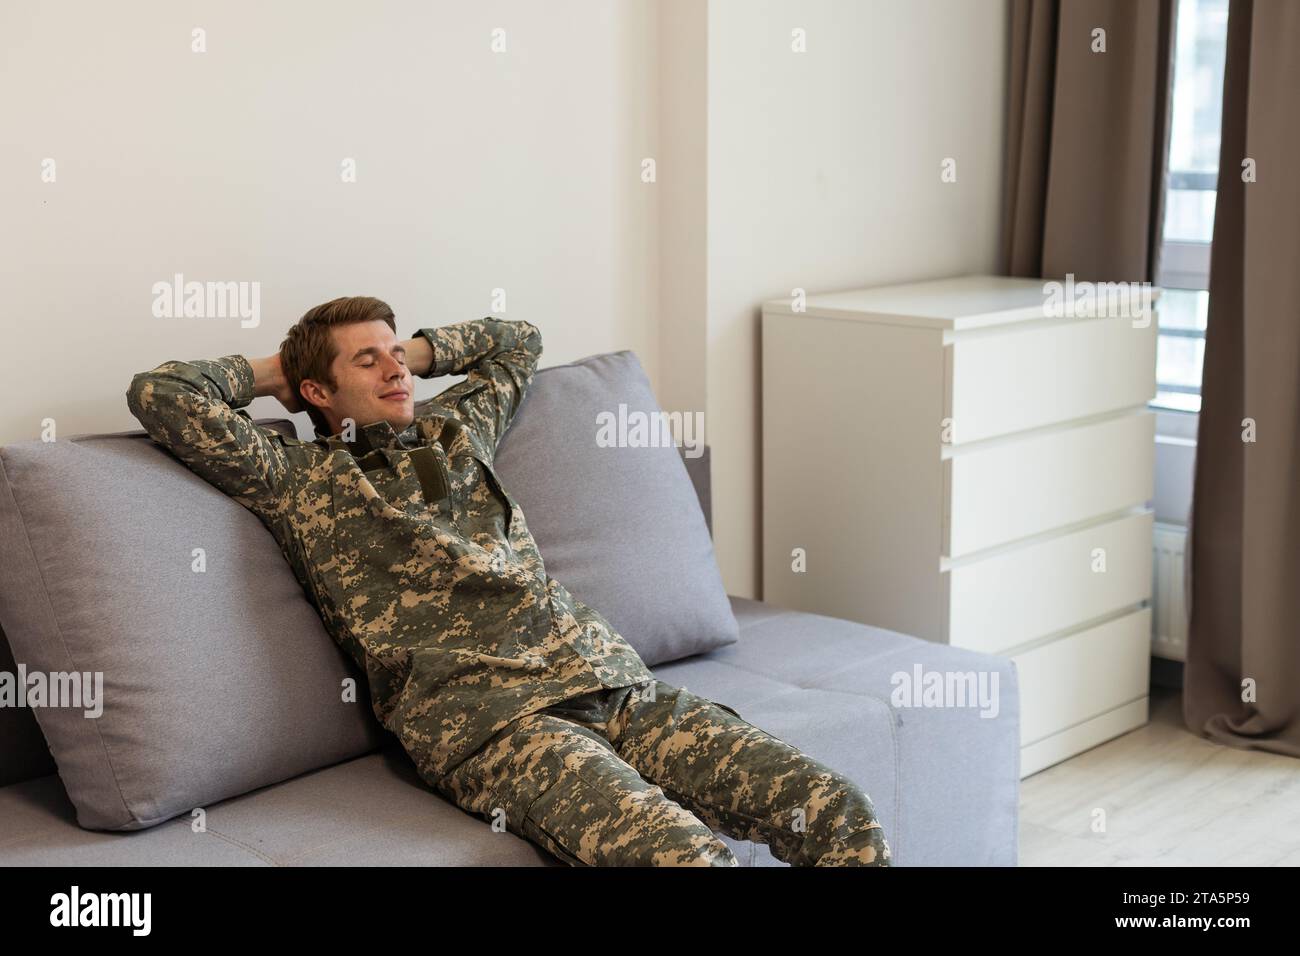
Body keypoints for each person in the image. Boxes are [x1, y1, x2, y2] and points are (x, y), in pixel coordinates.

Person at [126, 295, 891, 867]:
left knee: (832, 810)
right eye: (368, 360)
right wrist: (276, 372)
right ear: (318, 394)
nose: (394, 369)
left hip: (610, 682)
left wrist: (418, 354)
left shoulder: (455, 433)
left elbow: (515, 341)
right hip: (497, 727)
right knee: (684, 859)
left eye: (395, 353)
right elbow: (162, 394)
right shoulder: (296, 477)